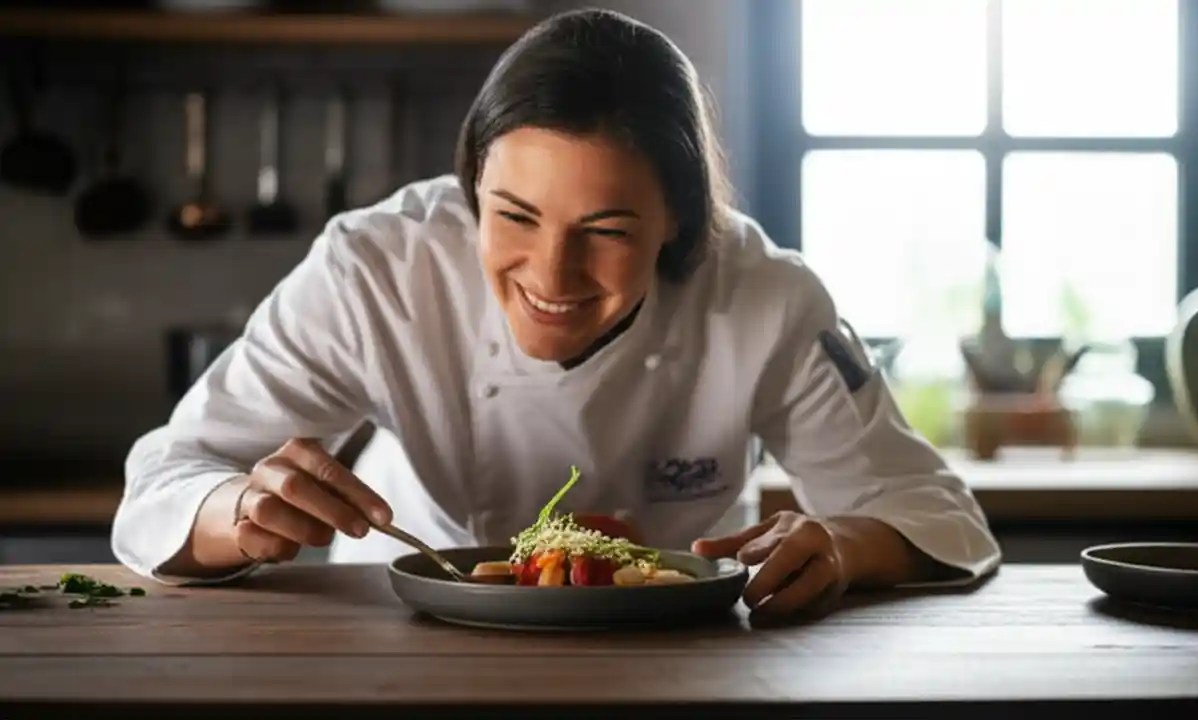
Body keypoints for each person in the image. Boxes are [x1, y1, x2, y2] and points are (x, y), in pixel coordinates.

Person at [113, 7, 1000, 619]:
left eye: (607, 229)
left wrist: (843, 544)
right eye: (515, 215)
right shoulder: (375, 266)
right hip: (403, 640)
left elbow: (934, 511)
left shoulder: (763, 293)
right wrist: (236, 510)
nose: (552, 271)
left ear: (680, 221)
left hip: (678, 654)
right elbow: (163, 482)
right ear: (472, 186)